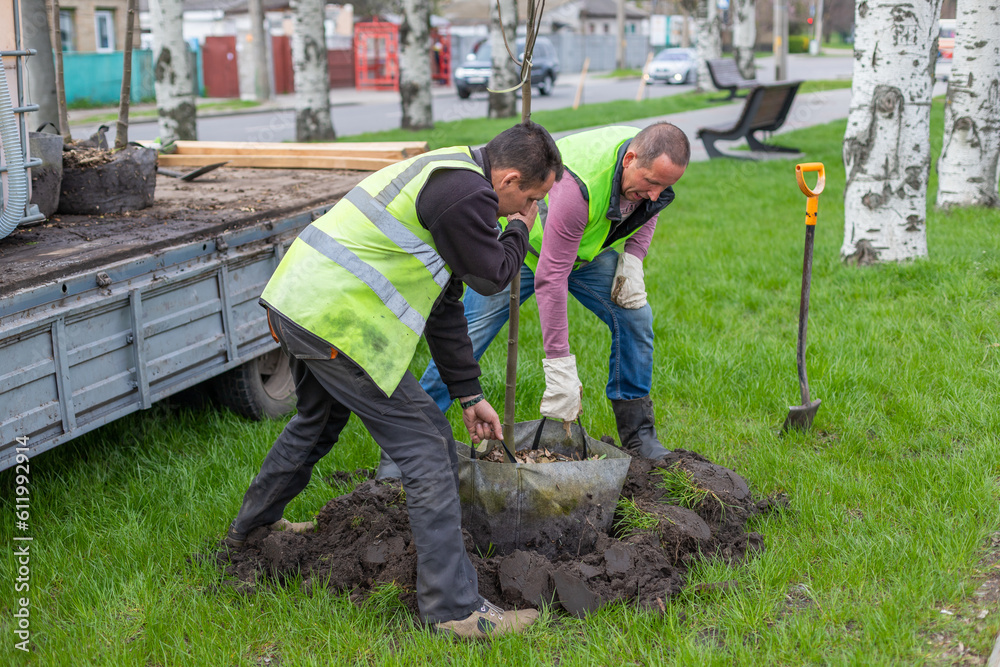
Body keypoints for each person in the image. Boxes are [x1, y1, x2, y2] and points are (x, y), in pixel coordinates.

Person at [224, 121, 563, 640]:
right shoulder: (466, 193)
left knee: (317, 422)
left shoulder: (453, 173)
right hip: (336, 319)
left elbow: (445, 304)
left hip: (300, 303)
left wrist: (468, 394)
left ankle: (252, 529)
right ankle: (455, 611)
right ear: (510, 178)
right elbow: (492, 275)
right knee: (429, 447)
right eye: (529, 198)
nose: (527, 208)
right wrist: (520, 228)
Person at [412, 122, 689, 462]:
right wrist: (559, 367)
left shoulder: (652, 167)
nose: (656, 194)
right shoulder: (580, 186)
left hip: (585, 256)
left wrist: (634, 258)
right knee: (465, 338)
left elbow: (648, 210)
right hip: (523, 252)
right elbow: (551, 277)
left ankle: (639, 435)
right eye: (651, 183)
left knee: (635, 317)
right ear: (630, 159)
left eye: (665, 187)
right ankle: (411, 444)